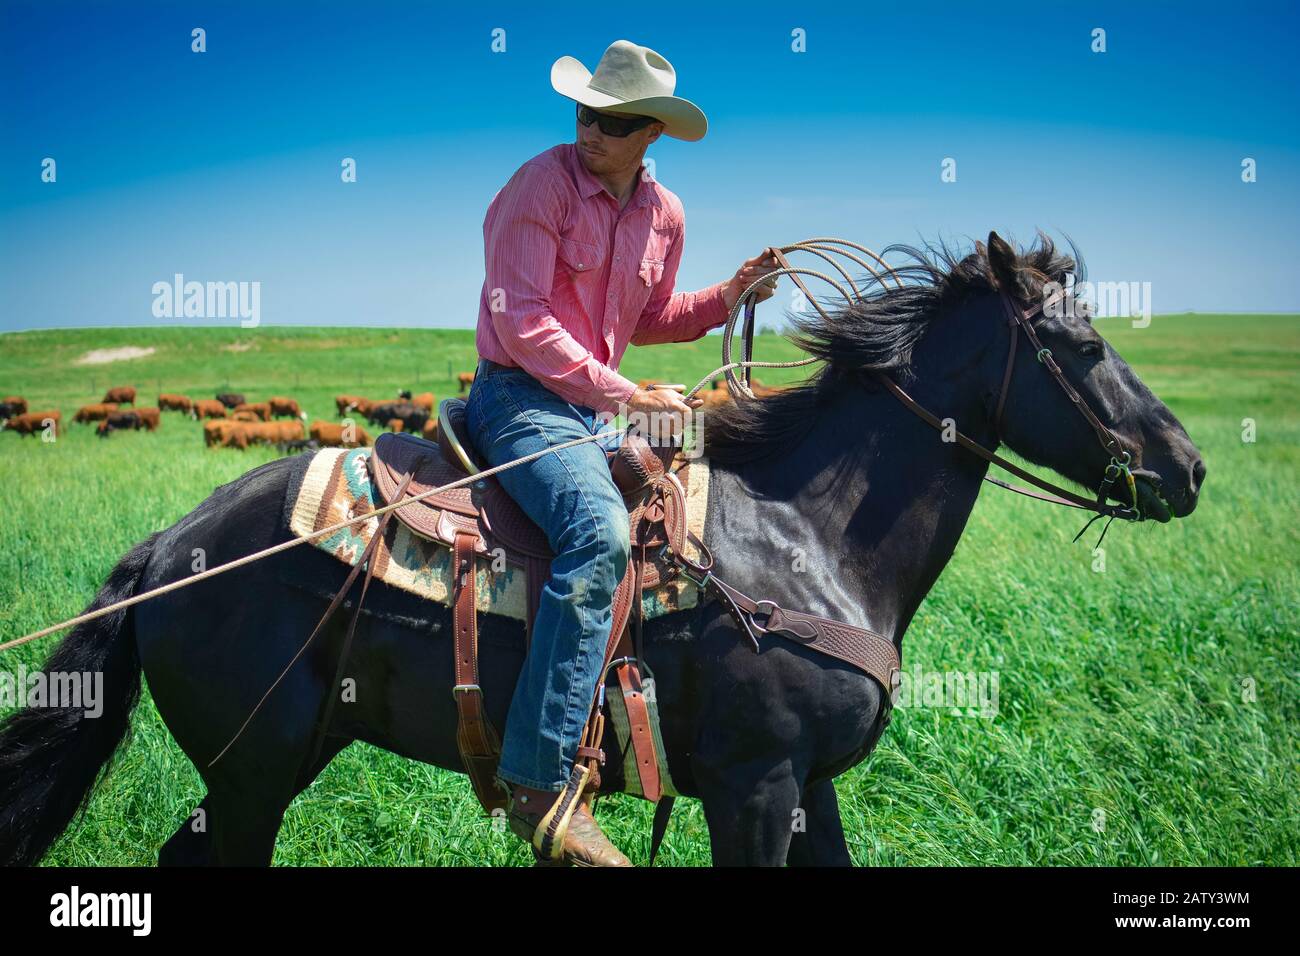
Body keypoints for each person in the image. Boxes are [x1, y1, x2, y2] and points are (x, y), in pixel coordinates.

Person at [465, 38, 778, 866]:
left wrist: (731, 294)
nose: (590, 130)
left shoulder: (664, 214)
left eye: (613, 120)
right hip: (519, 397)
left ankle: (660, 705)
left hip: (591, 404)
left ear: (653, 134)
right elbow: (525, 320)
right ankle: (539, 776)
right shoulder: (542, 184)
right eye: (583, 113)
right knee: (598, 535)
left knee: (709, 492)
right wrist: (629, 395)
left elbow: (652, 313)